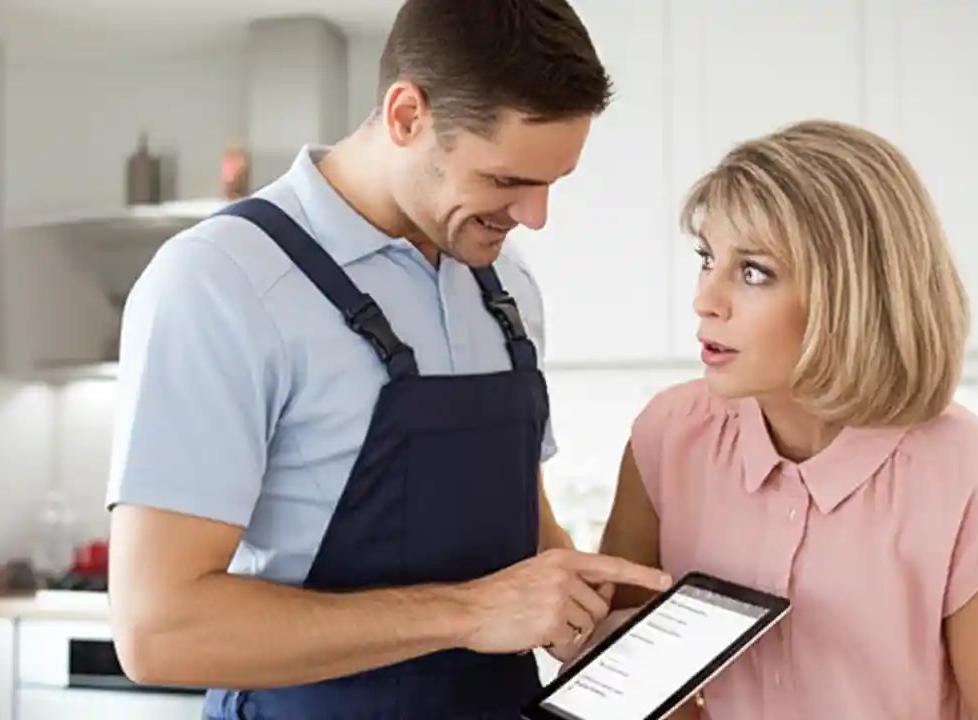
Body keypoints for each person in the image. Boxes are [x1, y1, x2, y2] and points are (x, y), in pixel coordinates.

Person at [104, 1, 671, 718]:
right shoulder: (220, 281)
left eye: (551, 183)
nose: (535, 217)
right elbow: (159, 631)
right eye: (505, 181)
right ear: (406, 115)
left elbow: (525, 525)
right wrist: (469, 613)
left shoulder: (505, 283)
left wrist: (591, 623)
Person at [592, 120, 978, 719]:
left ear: (852, 293)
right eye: (709, 258)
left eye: (753, 271)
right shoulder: (669, 435)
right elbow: (637, 687)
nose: (706, 298)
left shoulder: (964, 473)